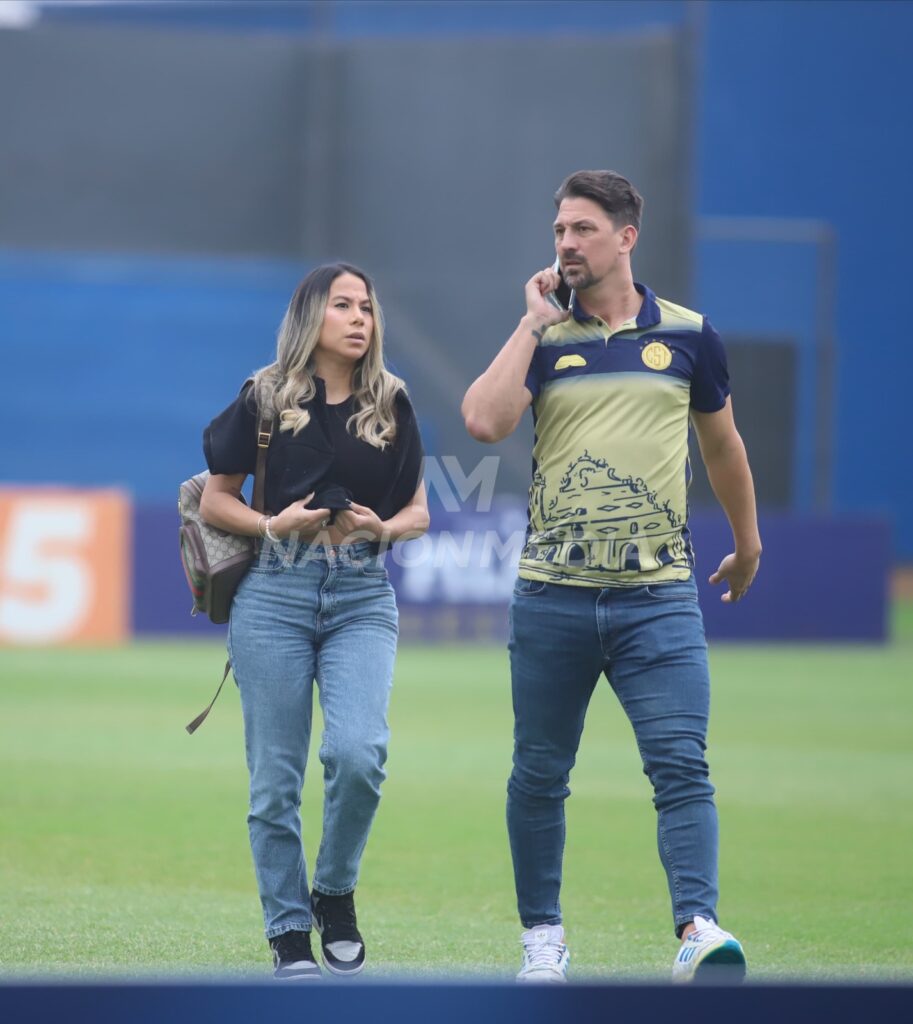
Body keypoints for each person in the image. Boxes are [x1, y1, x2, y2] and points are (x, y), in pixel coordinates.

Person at [461, 170, 761, 983]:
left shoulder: (690, 335)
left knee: (679, 763)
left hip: (657, 598)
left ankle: (697, 929)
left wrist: (747, 540)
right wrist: (529, 325)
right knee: (538, 773)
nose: (564, 243)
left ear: (626, 237)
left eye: (582, 229)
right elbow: (483, 421)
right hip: (551, 597)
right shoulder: (543, 337)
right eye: (559, 229)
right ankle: (543, 944)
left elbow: (722, 446)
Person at [200, 263, 429, 980]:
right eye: (343, 305)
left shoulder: (392, 401)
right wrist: (273, 524)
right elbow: (215, 500)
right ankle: (287, 931)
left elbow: (419, 513)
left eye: (367, 305)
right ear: (311, 316)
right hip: (274, 595)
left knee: (358, 755)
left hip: (362, 593)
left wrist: (379, 528)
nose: (360, 318)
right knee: (274, 780)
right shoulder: (264, 395)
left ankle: (332, 891)